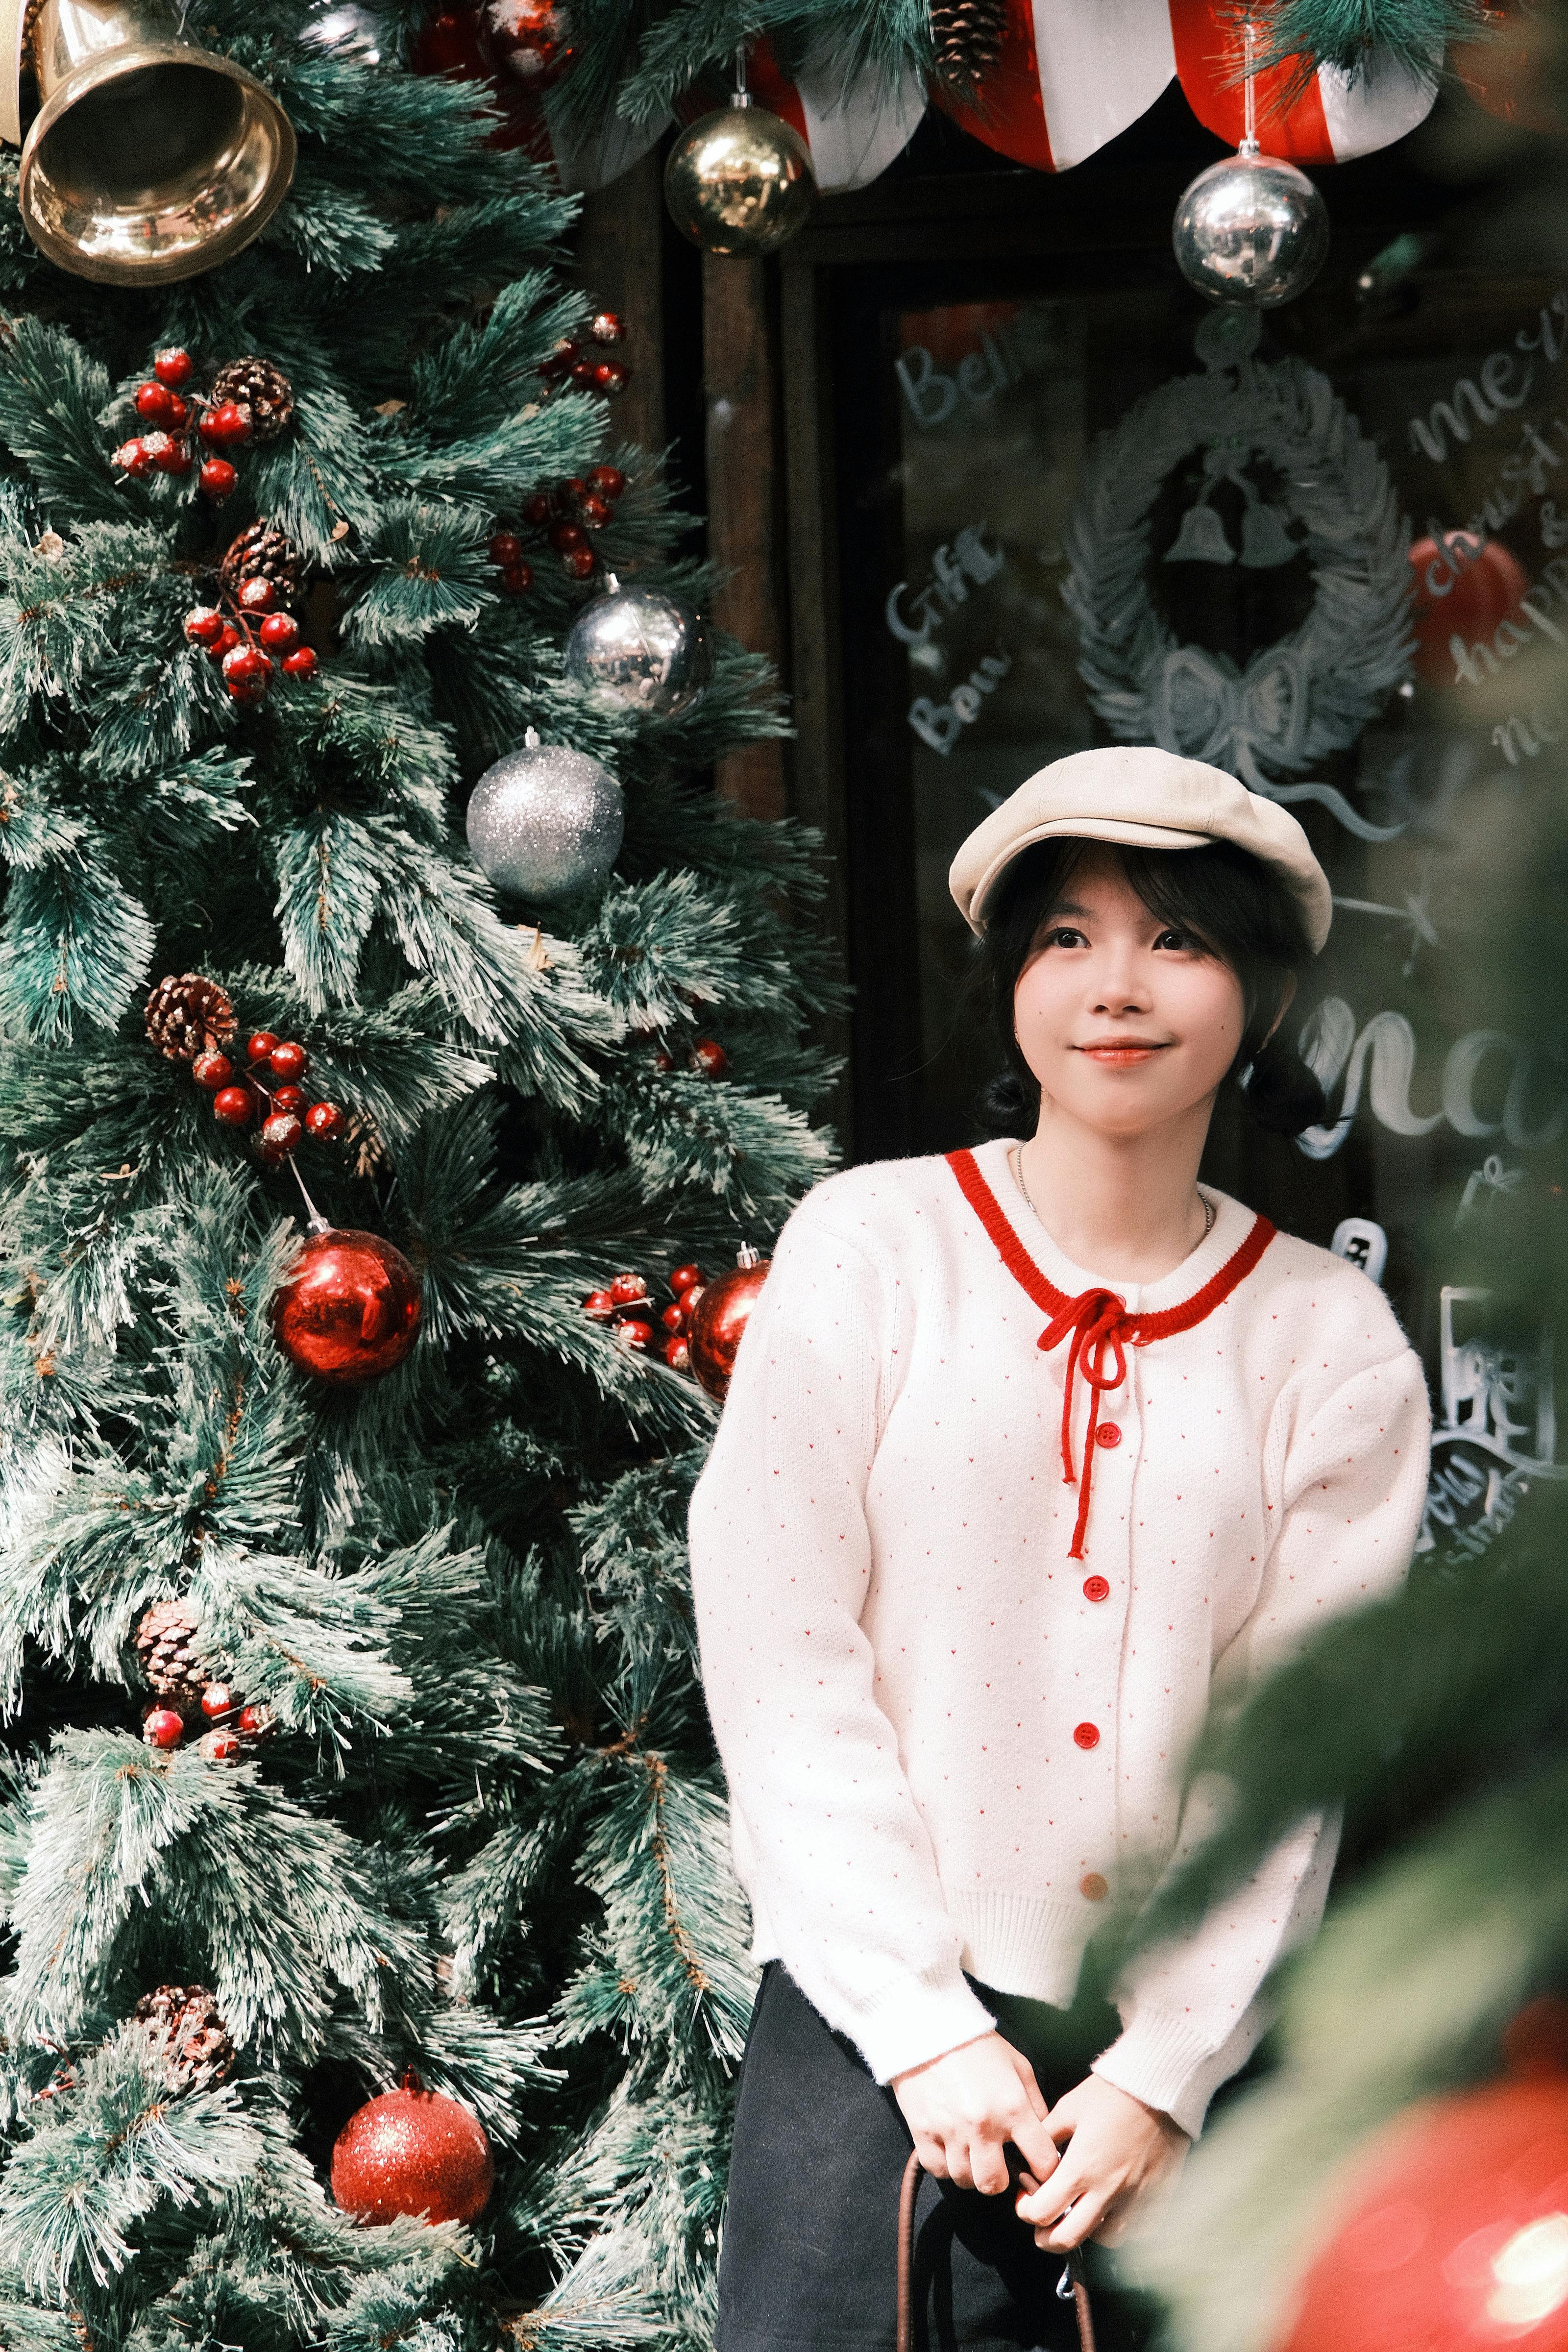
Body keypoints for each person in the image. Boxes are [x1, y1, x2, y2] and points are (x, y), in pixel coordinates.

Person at [687, 746, 1432, 2352]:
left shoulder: (1331, 1342)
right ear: (1014, 985)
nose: (1119, 988)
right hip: (863, 2050)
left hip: (1175, 2097)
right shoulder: (869, 1250)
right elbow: (779, 1647)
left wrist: (1167, 2076)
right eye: (1066, 939)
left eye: (1179, 940)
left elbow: (1292, 1752)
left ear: (1263, 997)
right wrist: (919, 2025)